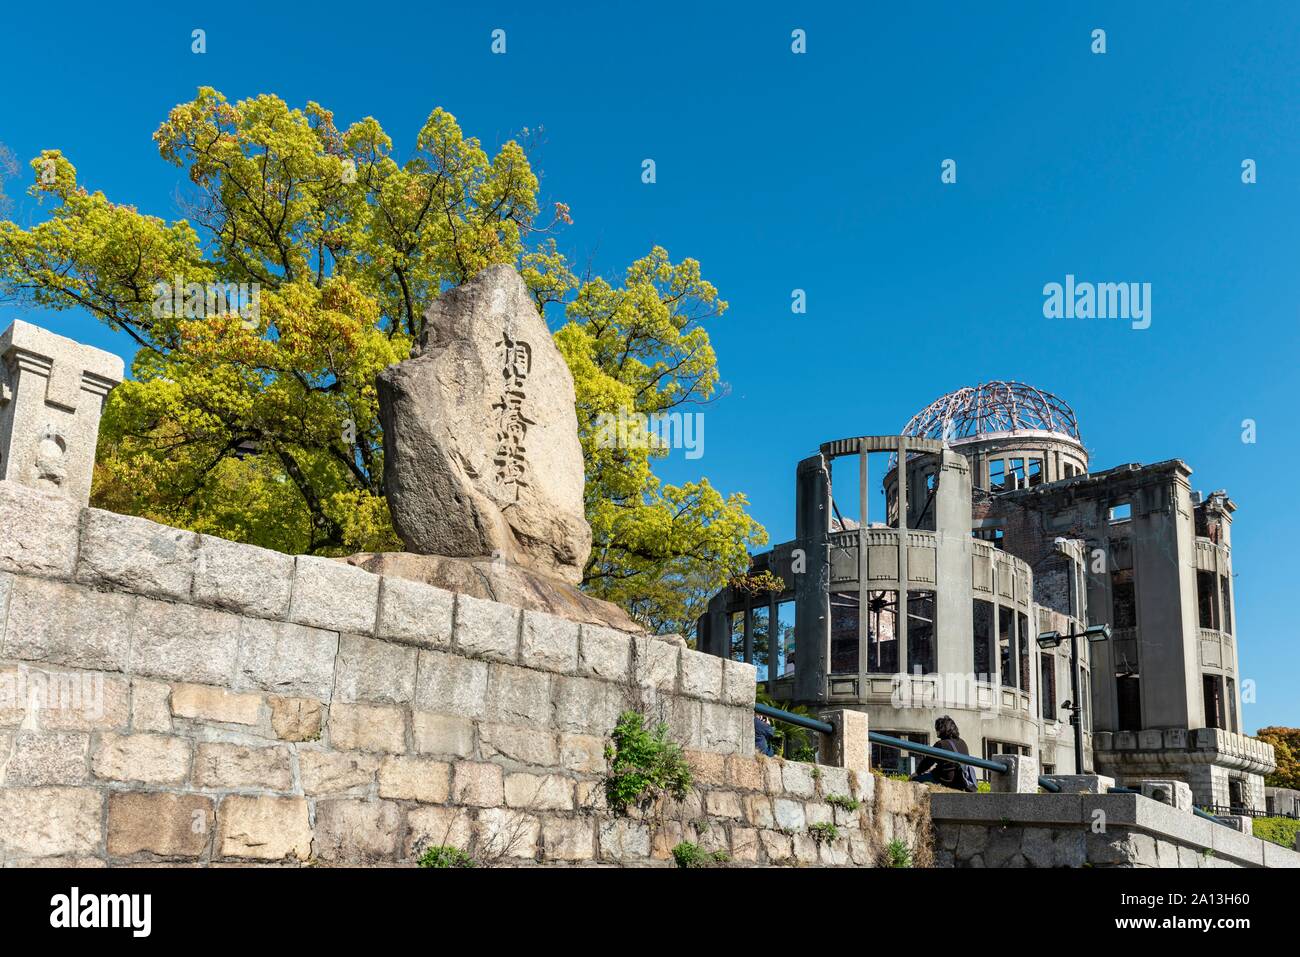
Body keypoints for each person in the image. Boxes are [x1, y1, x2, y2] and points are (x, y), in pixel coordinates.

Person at [910, 715, 977, 791]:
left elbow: (927, 762)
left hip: (944, 780)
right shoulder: (963, 743)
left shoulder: (941, 744)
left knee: (913, 780)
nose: (936, 731)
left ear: (942, 730)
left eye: (937, 728)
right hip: (960, 781)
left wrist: (917, 773)